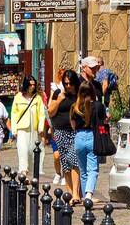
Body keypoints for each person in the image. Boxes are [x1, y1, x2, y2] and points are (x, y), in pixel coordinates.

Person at [71, 80, 107, 201]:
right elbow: (105, 120)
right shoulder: (98, 106)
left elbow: (73, 126)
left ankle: (86, 196)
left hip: (79, 137)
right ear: (92, 92)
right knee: (93, 169)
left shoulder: (75, 107)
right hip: (92, 136)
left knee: (83, 170)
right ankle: (88, 194)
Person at [47, 68, 81, 199]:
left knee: (73, 160)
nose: (68, 86)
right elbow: (50, 112)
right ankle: (70, 192)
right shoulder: (58, 93)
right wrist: (59, 100)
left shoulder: (78, 95)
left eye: (70, 83)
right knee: (65, 163)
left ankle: (76, 194)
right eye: (66, 83)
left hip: (74, 132)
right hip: (60, 131)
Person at [8, 74, 48, 175]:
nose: (32, 87)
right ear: (26, 85)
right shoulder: (18, 97)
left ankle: (31, 171)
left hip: (34, 129)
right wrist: (14, 129)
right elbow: (14, 113)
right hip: (22, 128)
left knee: (31, 151)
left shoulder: (37, 98)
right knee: (23, 149)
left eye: (34, 85)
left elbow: (41, 114)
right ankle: (23, 171)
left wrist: (40, 127)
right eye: (30, 85)